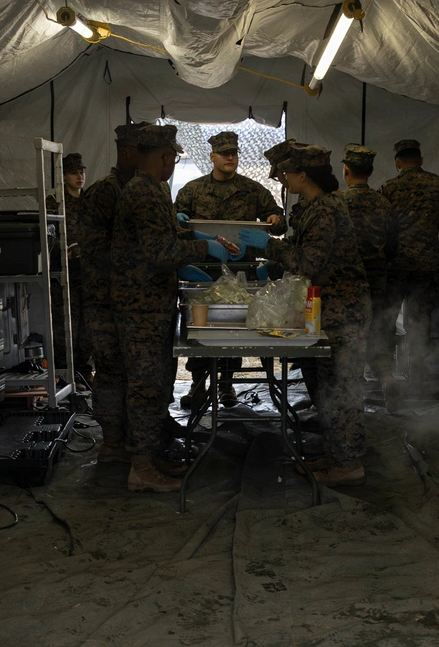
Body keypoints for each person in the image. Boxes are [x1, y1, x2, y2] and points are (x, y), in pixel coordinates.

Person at [111, 124, 237, 493]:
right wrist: (203, 249)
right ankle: (142, 467)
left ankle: (151, 456)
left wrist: (195, 236)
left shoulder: (149, 189)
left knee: (157, 381)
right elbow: (160, 252)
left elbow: (161, 238)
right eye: (175, 158)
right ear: (166, 158)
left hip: (148, 303)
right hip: (140, 306)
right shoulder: (145, 192)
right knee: (147, 386)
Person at [247, 145, 370, 486]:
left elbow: (308, 261)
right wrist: (269, 265)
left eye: (286, 175)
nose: (283, 180)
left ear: (304, 176)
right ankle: (335, 454)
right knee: (322, 388)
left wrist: (267, 246)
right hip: (322, 311)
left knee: (340, 389)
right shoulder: (310, 208)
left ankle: (349, 464)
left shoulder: (326, 209)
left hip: (343, 312)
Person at [175, 130, 284, 409]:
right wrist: (178, 219)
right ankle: (199, 386)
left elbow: (278, 221)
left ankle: (226, 385)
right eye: (224, 154)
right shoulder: (192, 190)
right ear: (212, 157)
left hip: (240, 271)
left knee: (233, 330)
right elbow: (174, 227)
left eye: (234, 153)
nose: (230, 157)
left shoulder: (251, 189)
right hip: (203, 271)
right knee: (200, 331)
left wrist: (274, 218)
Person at [78, 127, 144, 463]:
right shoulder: (105, 191)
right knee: (110, 371)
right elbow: (93, 251)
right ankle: (113, 442)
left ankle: (138, 434)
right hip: (106, 302)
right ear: (129, 152)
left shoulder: (141, 188)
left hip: (132, 302)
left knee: (137, 371)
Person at [380, 139, 439, 402]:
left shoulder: (389, 188)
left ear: (397, 162)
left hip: (396, 267)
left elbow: (383, 228)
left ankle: (388, 378)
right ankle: (419, 382)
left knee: (386, 323)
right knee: (419, 324)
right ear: (421, 160)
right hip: (428, 268)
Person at [339, 144, 397, 382]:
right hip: (376, 276)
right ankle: (386, 378)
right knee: (377, 330)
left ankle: (352, 382)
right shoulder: (382, 202)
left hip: (345, 278)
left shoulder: (336, 202)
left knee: (348, 331)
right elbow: (393, 246)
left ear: (346, 169)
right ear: (371, 171)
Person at [47, 150, 90, 380]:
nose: (79, 177)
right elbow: (48, 236)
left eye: (82, 172)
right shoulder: (55, 202)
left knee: (86, 327)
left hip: (87, 274)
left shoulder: (90, 200)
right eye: (74, 173)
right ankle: (64, 373)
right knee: (65, 326)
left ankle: (83, 371)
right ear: (64, 176)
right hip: (63, 274)